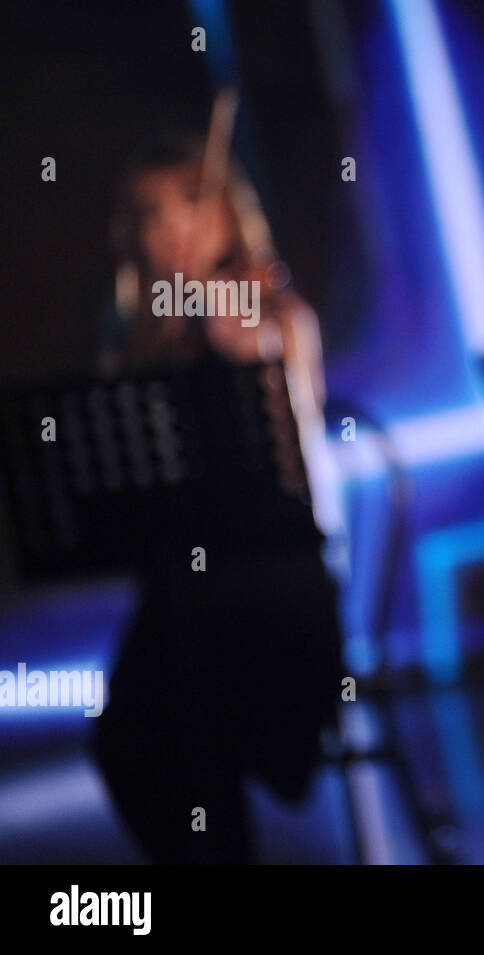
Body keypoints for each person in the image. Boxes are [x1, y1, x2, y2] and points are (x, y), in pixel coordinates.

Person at [91, 131, 344, 863]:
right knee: (131, 741)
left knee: (189, 718)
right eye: (150, 212)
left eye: (191, 204)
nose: (170, 228)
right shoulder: (135, 339)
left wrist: (236, 333)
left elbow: (296, 446)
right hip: (181, 596)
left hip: (278, 596)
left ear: (232, 215)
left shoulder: (274, 314)